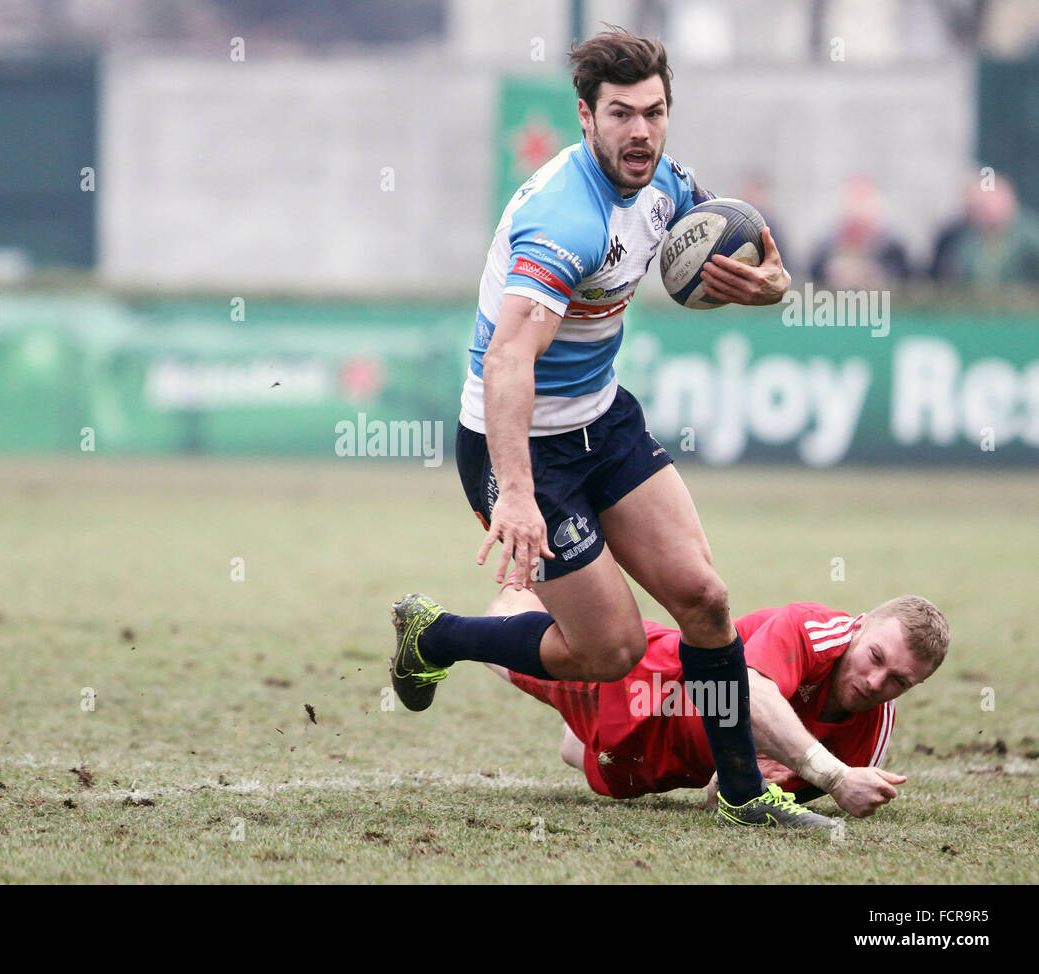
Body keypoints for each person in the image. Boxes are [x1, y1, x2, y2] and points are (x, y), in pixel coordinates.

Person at [389, 26, 819, 829]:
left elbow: (744, 241)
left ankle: (742, 793)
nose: (642, 132)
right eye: (621, 114)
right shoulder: (562, 220)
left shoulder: (665, 184)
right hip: (517, 445)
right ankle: (435, 637)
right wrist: (514, 493)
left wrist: (772, 282)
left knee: (705, 598)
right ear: (584, 116)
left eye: (655, 112)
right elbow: (508, 362)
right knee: (610, 652)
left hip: (603, 421)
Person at [485, 583, 949, 820]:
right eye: (875, 657)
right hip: (643, 689)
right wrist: (833, 775)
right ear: (860, 625)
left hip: (649, 767)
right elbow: (746, 694)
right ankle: (512, 571)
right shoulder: (811, 629)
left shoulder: (867, 744)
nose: (874, 682)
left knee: (578, 752)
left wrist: (760, 781)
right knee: (502, 633)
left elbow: (723, 794)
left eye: (898, 682)